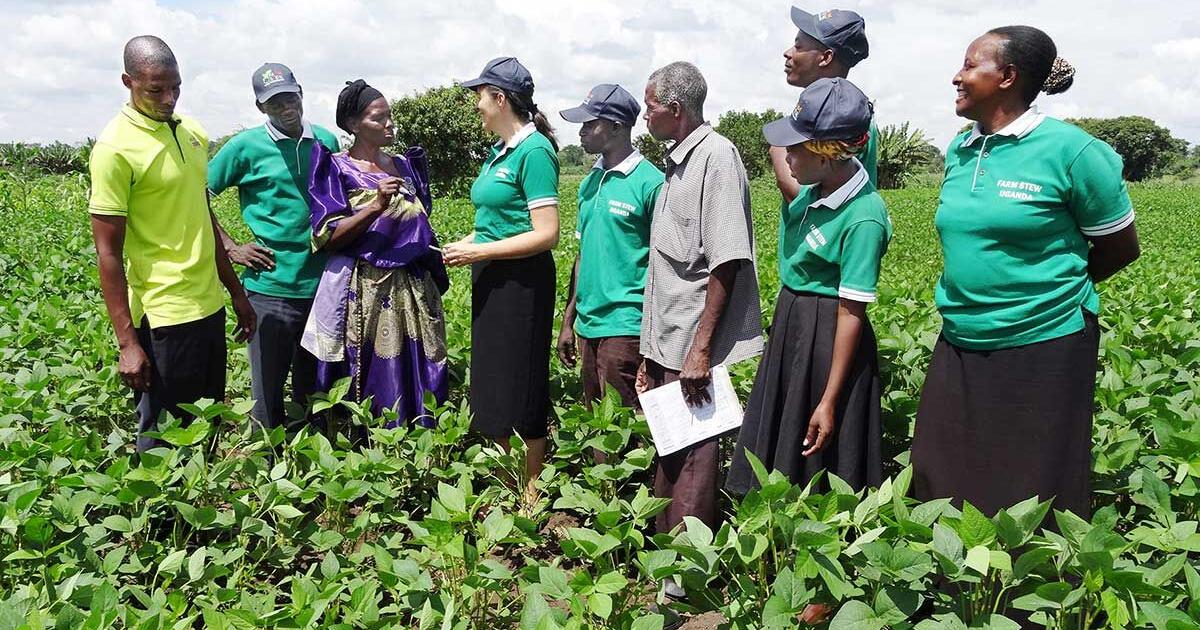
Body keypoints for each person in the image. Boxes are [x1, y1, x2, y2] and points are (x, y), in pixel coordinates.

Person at [911, 26, 1140, 519]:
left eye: (971, 65)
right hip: (961, 335)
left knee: (1032, 480)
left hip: (1045, 340)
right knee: (940, 467)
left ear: (1008, 77)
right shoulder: (960, 149)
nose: (958, 76)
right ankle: (953, 586)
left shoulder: (1073, 153)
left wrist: (1044, 292)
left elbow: (1119, 247)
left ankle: (1027, 590)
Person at [88, 36, 255, 452]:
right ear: (128, 82)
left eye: (175, 87)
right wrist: (128, 342)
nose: (169, 98)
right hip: (162, 313)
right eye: (156, 90)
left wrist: (236, 293)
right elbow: (107, 252)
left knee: (207, 423)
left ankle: (197, 511)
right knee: (163, 436)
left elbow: (203, 217)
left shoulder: (192, 132)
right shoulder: (114, 149)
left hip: (208, 305)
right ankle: (162, 520)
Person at [726, 77, 890, 498]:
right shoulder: (816, 189)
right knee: (778, 441)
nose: (786, 155)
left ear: (829, 153)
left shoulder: (863, 216)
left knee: (818, 454)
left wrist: (829, 400)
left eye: (796, 147)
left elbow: (851, 313)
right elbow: (781, 159)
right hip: (793, 323)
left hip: (829, 340)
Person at [637, 61, 763, 539]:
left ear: (674, 109)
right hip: (667, 338)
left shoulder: (717, 157)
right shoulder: (677, 164)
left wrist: (702, 350)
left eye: (650, 107)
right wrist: (651, 352)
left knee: (695, 455)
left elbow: (726, 261)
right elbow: (665, 269)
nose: (644, 117)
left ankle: (687, 577)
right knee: (671, 447)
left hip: (692, 341)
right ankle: (665, 555)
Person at [300, 80, 449, 428]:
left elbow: (420, 224)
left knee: (422, 365)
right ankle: (370, 444)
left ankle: (422, 445)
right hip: (366, 288)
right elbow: (328, 236)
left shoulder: (405, 165)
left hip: (413, 286)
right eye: (378, 118)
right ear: (354, 125)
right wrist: (374, 206)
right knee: (371, 372)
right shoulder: (336, 168)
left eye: (390, 116)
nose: (389, 124)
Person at [442, 57, 560, 494]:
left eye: (480, 95)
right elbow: (496, 221)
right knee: (494, 380)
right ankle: (503, 482)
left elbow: (546, 233)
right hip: (491, 278)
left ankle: (530, 491)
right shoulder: (499, 152)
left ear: (501, 98)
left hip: (522, 284)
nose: (476, 104)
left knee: (521, 381)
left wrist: (480, 250)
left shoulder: (536, 152)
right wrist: (466, 243)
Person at [208, 63, 340, 433]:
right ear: (260, 106)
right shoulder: (244, 147)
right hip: (269, 288)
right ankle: (267, 470)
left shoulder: (326, 141)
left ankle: (311, 471)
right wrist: (231, 246)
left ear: (301, 93)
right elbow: (196, 196)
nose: (285, 107)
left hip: (322, 286)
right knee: (266, 392)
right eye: (274, 102)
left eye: (290, 96)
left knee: (315, 389)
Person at [556, 84, 663, 408]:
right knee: (594, 428)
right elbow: (582, 256)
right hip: (588, 324)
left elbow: (664, 266)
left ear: (617, 127)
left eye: (591, 124)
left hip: (627, 326)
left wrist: (652, 342)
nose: (582, 132)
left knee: (624, 432)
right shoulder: (590, 182)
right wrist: (568, 320)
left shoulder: (651, 183)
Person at [773, 6, 878, 202]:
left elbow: (806, 198)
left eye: (799, 46)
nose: (788, 53)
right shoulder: (814, 116)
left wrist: (778, 148)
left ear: (826, 57)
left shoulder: (848, 123)